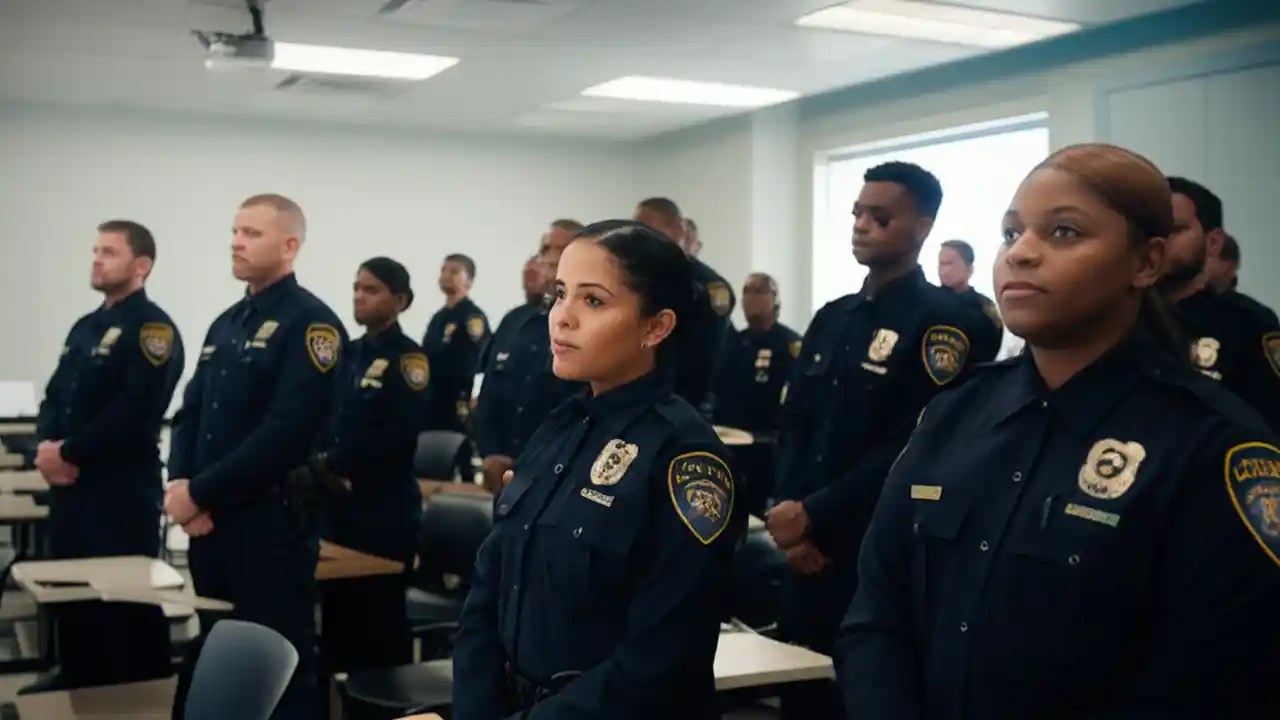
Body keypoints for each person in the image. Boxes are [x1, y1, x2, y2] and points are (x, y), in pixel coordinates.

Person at [837, 142, 1280, 720]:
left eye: (1064, 233)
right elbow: (876, 610)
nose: (1022, 253)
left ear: (1145, 262)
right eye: (1011, 232)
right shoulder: (956, 414)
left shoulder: (1211, 444)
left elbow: (1215, 677)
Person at [453, 220, 743, 719]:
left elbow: (658, 659)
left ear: (656, 327)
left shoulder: (686, 459)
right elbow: (489, 586)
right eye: (560, 294)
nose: (561, 319)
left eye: (593, 301)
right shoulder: (561, 426)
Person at [769, 161, 986, 718]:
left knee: (867, 695)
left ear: (921, 227)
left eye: (879, 216)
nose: (862, 225)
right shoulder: (833, 318)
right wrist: (790, 524)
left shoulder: (944, 323)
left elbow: (915, 447)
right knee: (801, 697)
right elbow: (794, 426)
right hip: (804, 553)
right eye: (857, 213)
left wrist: (814, 512)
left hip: (877, 550)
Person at [165, 193, 345, 720]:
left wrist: (198, 492)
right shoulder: (228, 322)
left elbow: (284, 434)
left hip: (269, 525)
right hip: (212, 523)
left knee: (278, 661)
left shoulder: (311, 325)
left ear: (290, 245)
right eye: (235, 231)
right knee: (221, 656)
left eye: (252, 233)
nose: (236, 242)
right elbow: (189, 414)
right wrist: (182, 483)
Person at [34, 220, 183, 688]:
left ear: (141, 266)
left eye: (110, 252)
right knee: (72, 594)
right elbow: (56, 396)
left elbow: (137, 411)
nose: (97, 259)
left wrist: (70, 451)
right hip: (72, 487)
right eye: (95, 250)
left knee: (125, 604)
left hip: (119, 491)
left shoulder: (152, 329)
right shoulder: (86, 326)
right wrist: (47, 447)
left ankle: (140, 694)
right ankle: (79, 680)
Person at [314, 257, 430, 673]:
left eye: (372, 290)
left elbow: (398, 434)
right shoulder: (348, 352)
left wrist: (338, 462)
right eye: (356, 288)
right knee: (338, 619)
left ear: (399, 300)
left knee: (379, 624)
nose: (359, 297)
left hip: (382, 507)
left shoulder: (409, 359)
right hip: (338, 502)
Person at [474, 220, 584, 494]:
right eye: (542, 249)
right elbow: (489, 392)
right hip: (502, 474)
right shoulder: (516, 320)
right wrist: (490, 453)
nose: (541, 257)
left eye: (549, 248)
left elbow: (584, 404)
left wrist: (543, 461)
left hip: (561, 476)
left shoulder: (585, 323)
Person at [1163, 177, 1280, 431]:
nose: (1160, 242)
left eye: (1175, 230)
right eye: (1150, 231)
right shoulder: (1119, 317)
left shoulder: (1246, 322)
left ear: (1213, 242)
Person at [711, 272, 801, 518]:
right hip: (729, 442)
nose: (751, 299)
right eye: (747, 292)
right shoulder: (732, 343)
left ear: (774, 299)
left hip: (765, 447)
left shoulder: (789, 344)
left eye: (759, 292)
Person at [634, 198, 733, 414]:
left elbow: (704, 360)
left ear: (678, 231)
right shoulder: (640, 279)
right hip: (640, 399)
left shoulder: (709, 287)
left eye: (645, 230)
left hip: (682, 406)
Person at [422, 253, 490, 459]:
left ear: (468, 281)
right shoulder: (439, 317)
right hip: (432, 397)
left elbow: (483, 358)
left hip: (457, 399)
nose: (446, 275)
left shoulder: (472, 316)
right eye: (444, 270)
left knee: (456, 453)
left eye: (454, 271)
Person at [938, 238, 1004, 363]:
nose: (943, 270)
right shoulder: (928, 300)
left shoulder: (983, 306)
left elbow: (991, 347)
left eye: (949, 264)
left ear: (969, 269)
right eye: (941, 264)